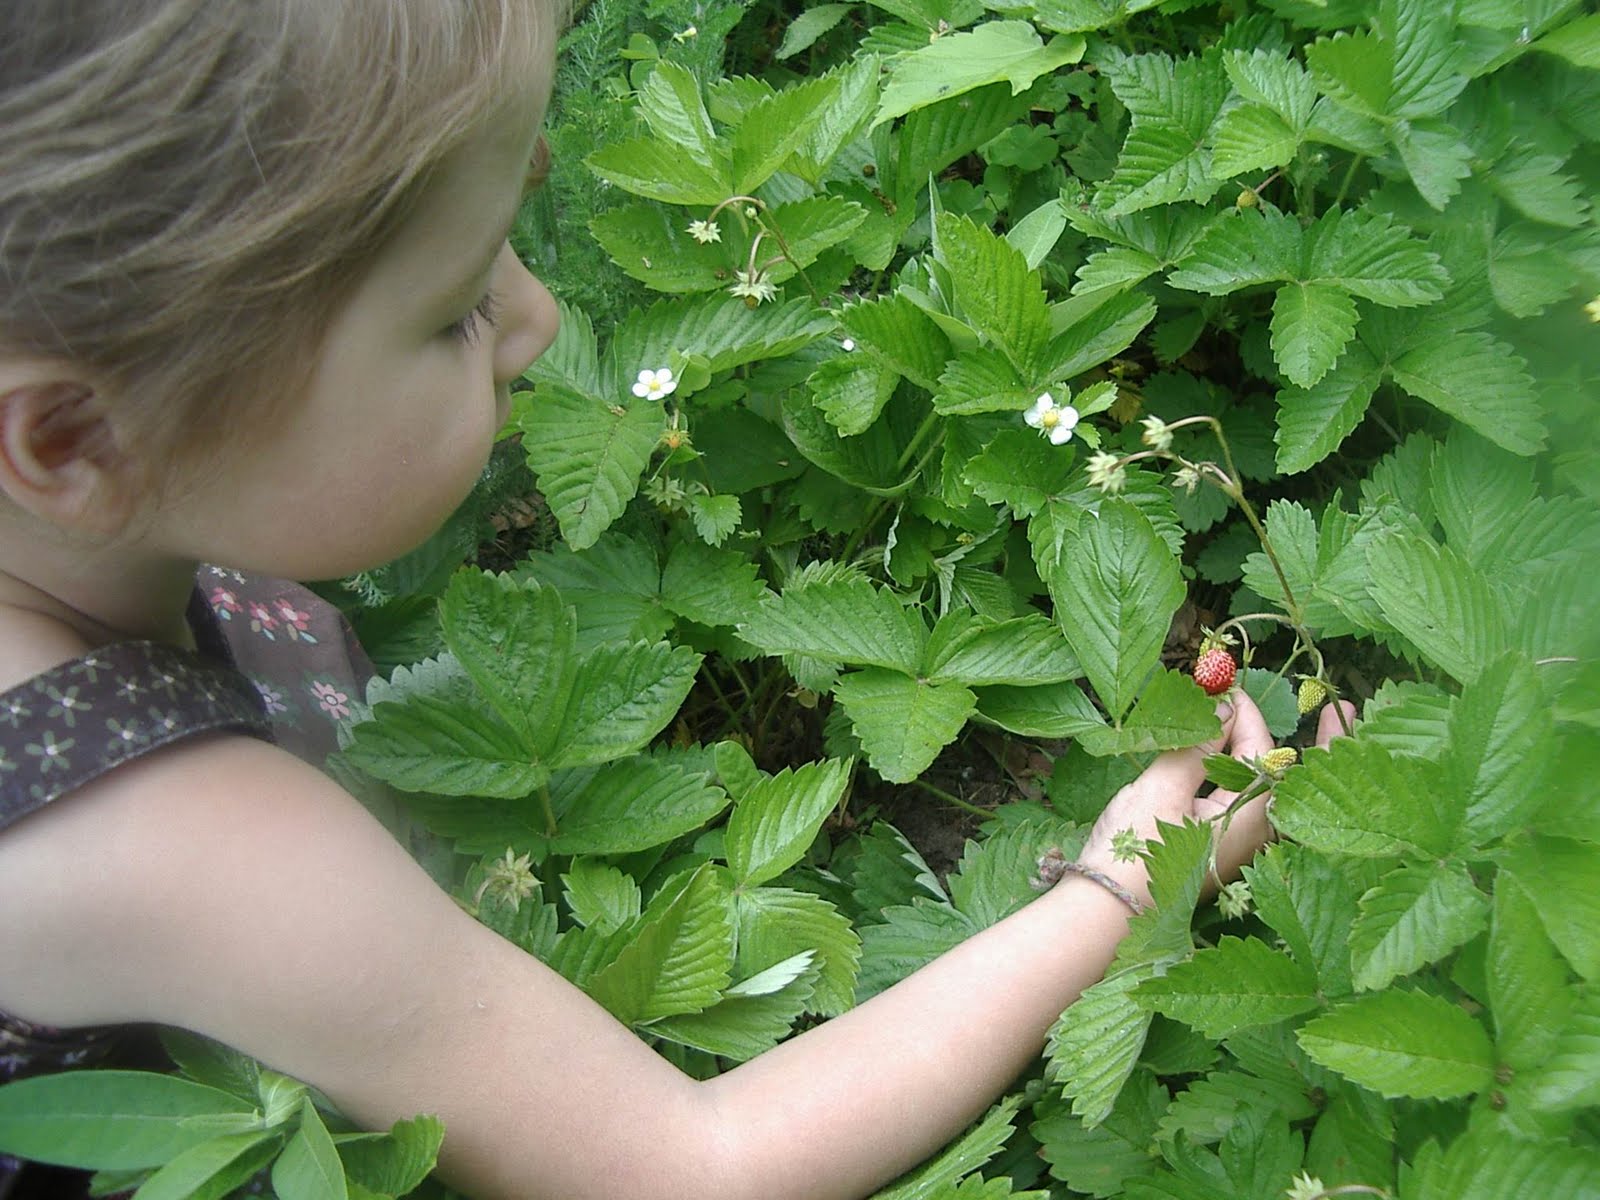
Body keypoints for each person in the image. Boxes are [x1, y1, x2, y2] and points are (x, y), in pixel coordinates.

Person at [0, 4, 1353, 1199]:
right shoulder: (176, 848)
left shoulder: (108, 510)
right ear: (76, 442)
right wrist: (1117, 891)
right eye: (458, 306)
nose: (539, 318)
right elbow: (696, 1166)